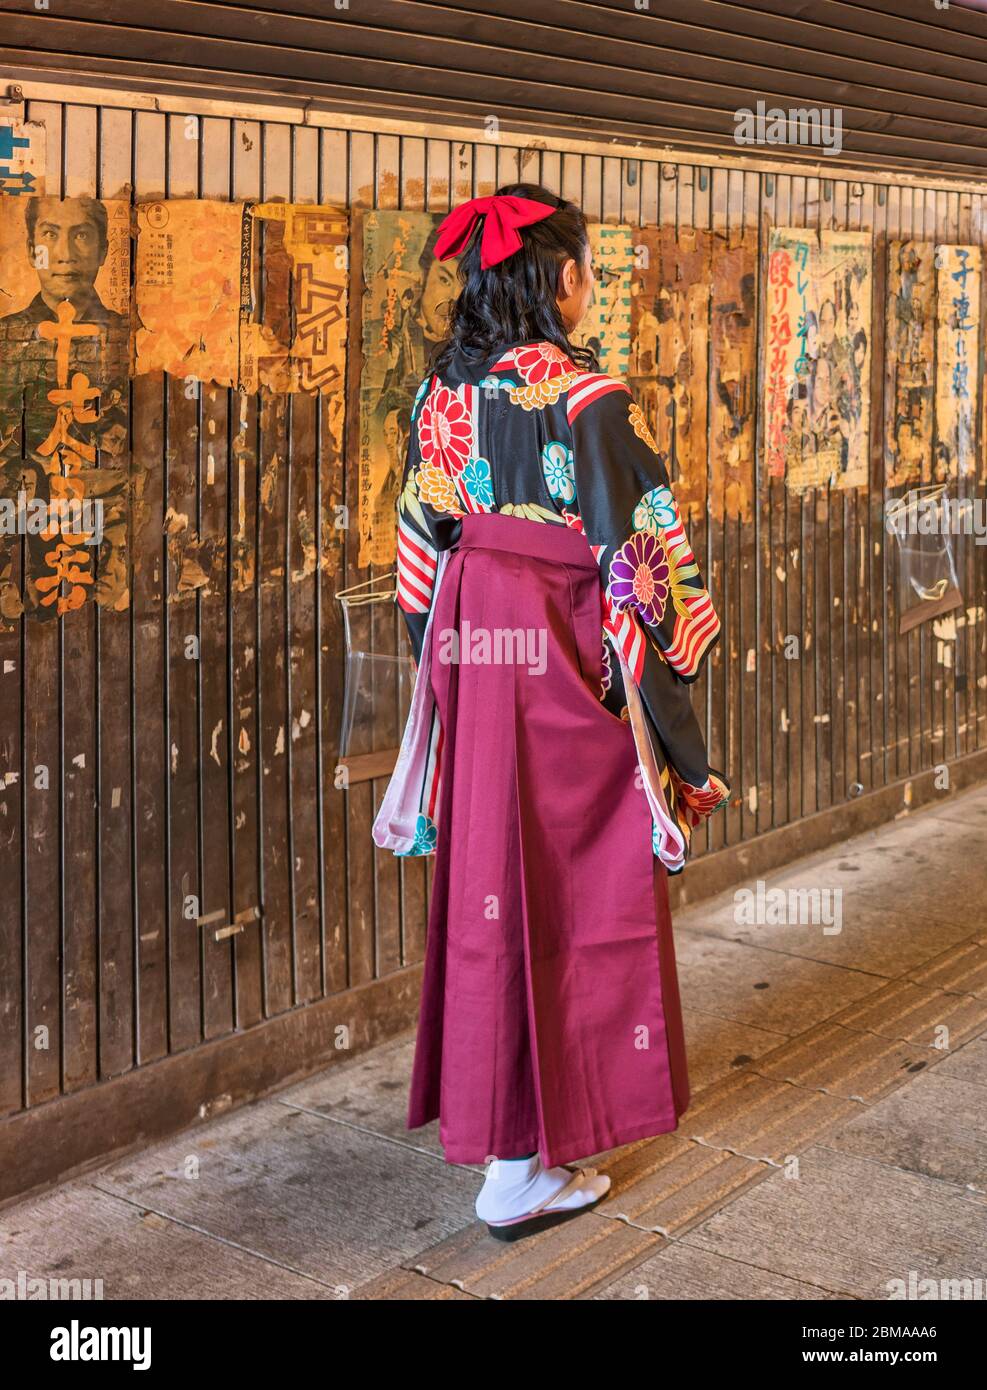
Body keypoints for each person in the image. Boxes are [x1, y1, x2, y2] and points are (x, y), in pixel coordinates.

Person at [374, 185, 729, 1241]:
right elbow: (642, 566)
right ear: (557, 278)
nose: (588, 285)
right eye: (582, 267)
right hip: (565, 658)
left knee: (495, 889)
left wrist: (448, 678)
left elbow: (416, 553)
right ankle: (528, 1158)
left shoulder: (439, 392)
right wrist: (667, 718)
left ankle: (518, 1147)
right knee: (583, 887)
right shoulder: (588, 398)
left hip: (477, 648)